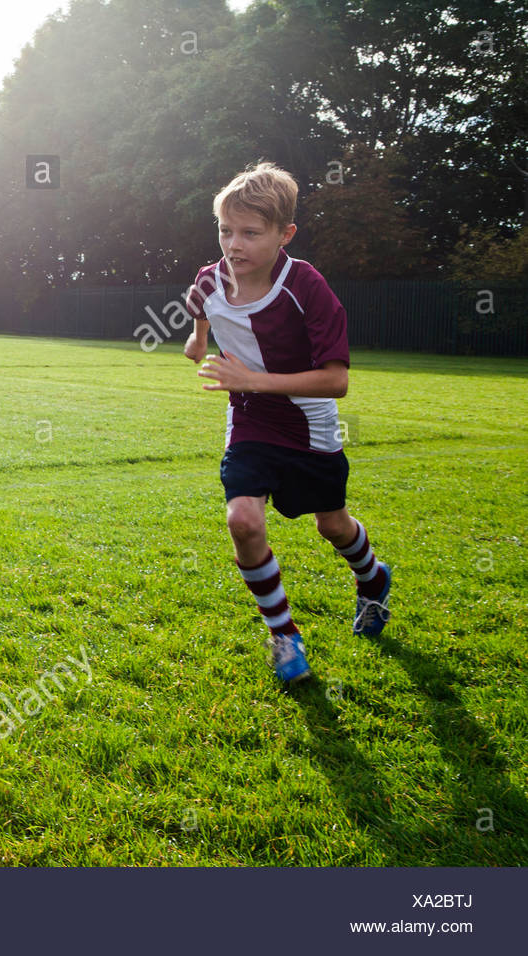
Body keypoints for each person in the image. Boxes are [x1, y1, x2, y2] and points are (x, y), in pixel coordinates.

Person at [184, 162, 391, 685]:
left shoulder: (307, 286)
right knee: (243, 522)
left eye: (251, 233)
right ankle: (283, 635)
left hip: (310, 427)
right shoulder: (211, 279)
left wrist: (250, 378)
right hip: (251, 422)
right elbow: (199, 301)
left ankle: (372, 579)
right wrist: (198, 338)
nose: (234, 244)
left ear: (285, 234)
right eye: (225, 230)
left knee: (332, 525)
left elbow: (336, 382)